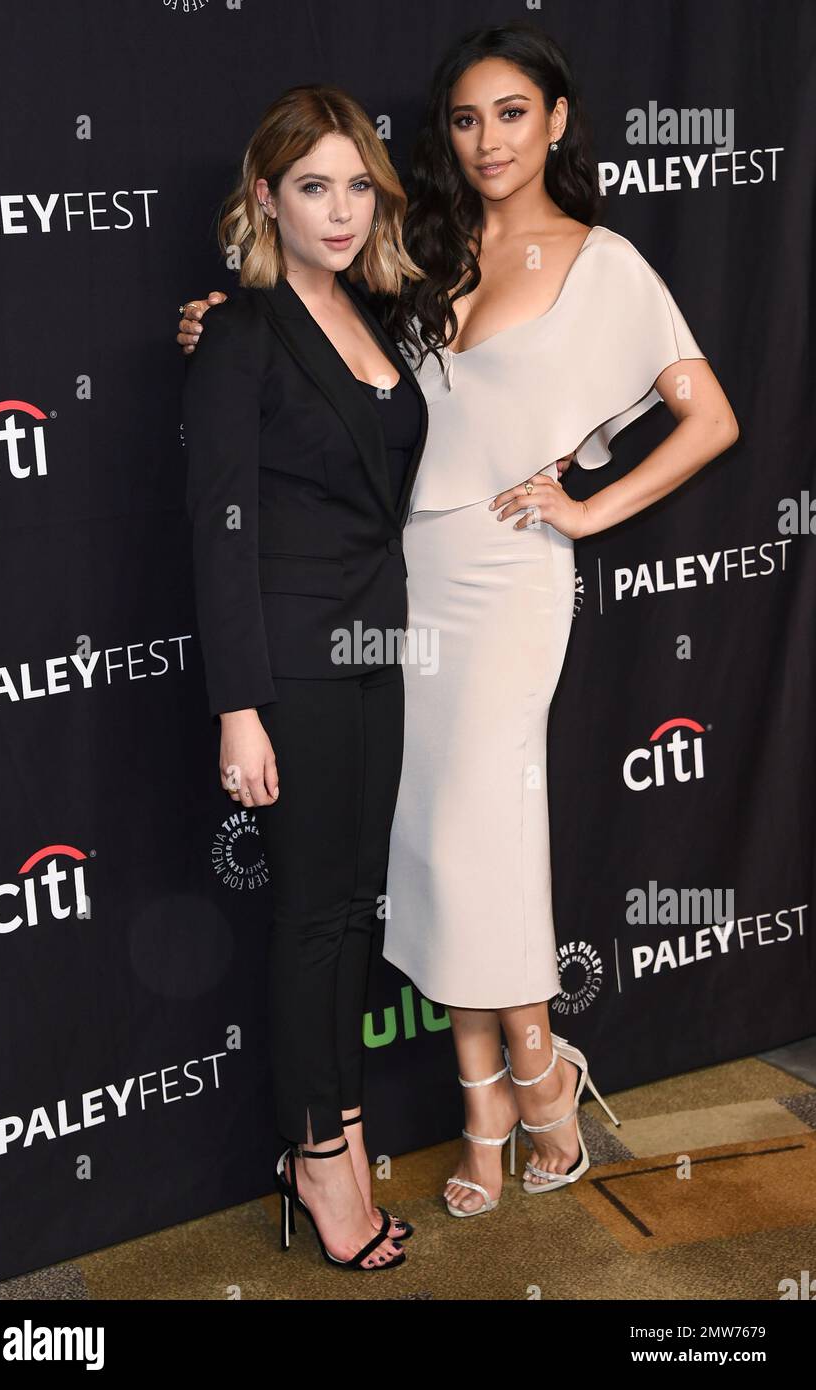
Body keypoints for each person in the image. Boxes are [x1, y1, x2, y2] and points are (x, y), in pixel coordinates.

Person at [178, 22, 738, 1220]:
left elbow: (709, 419)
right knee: (432, 841)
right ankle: (496, 1092)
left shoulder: (607, 264)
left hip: (509, 577)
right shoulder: (416, 256)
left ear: (557, 123)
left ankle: (527, 1083)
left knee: (479, 826)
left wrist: (586, 509)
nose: (487, 140)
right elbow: (322, 358)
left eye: (512, 114)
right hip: (399, 582)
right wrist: (221, 330)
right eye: (467, 119)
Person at [182, 83, 428, 1269]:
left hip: (380, 649)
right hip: (293, 664)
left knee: (348, 913)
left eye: (354, 185)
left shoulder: (380, 317)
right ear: (266, 199)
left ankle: (344, 1126)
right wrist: (240, 705)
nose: (338, 210)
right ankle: (318, 1158)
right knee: (310, 920)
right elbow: (217, 530)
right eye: (311, 187)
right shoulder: (240, 330)